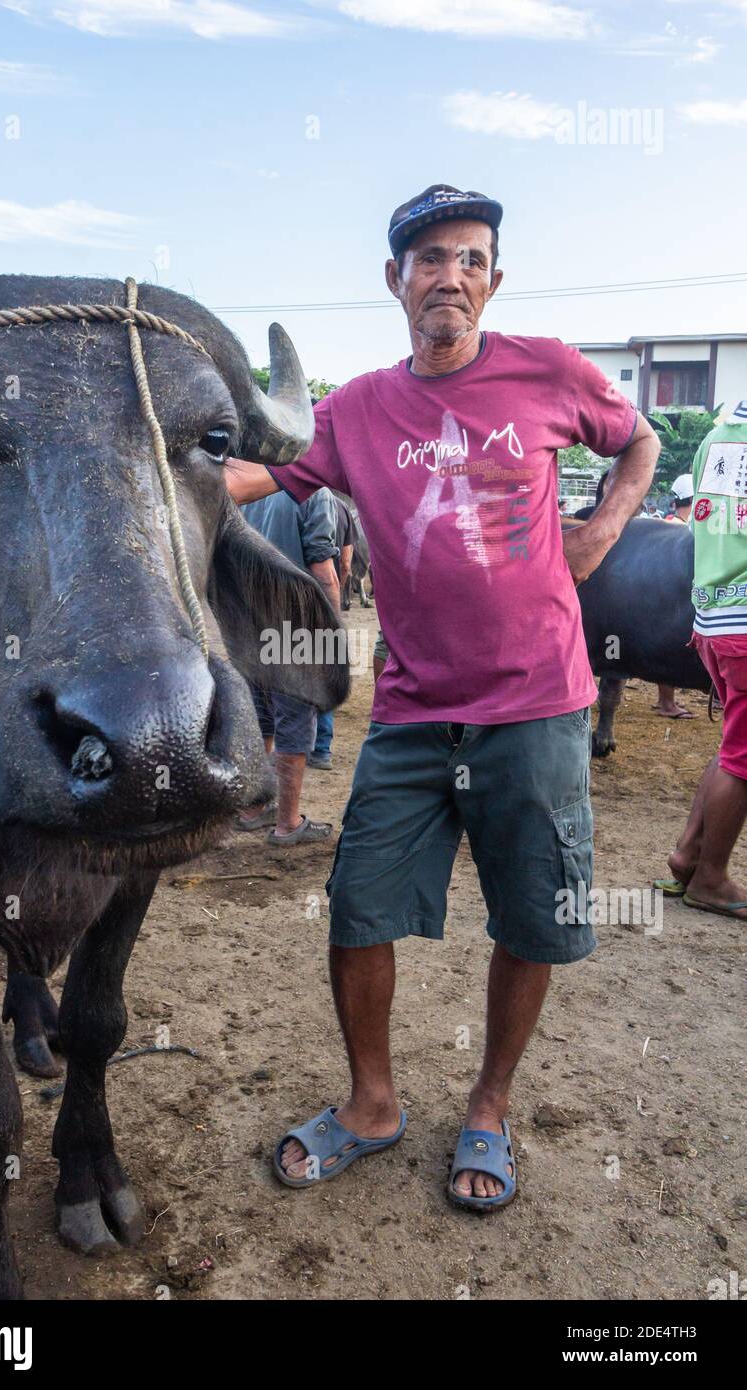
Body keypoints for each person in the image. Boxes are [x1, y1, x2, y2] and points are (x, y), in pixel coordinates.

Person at [227, 183, 659, 1208]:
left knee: (529, 918)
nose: (449, 276)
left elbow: (636, 439)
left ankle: (489, 1108)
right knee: (355, 905)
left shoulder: (548, 370)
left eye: (470, 259)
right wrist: (164, 457)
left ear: (494, 279)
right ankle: (371, 1103)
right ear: (394, 280)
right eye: (428, 259)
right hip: (412, 713)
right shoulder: (356, 409)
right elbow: (249, 475)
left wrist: (600, 529)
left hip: (540, 704)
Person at [655, 404, 747, 918]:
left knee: (735, 746)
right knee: (744, 757)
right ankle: (711, 877)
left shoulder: (719, 436)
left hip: (714, 615)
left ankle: (689, 855)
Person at [236, 486, 340, 844]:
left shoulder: (248, 488)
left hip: (250, 626)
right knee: (293, 727)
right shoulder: (316, 494)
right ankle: (287, 824)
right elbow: (324, 571)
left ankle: (252, 809)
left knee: (261, 722)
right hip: (293, 627)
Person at [308, 492, 357, 771]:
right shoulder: (339, 508)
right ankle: (321, 749)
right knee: (325, 676)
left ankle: (286, 747)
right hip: (320, 602)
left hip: (275, 606)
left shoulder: (267, 495)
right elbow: (346, 563)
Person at [654, 473, 698, 718]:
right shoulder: (681, 530)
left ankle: (666, 701)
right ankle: (666, 703)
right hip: (673, 594)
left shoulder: (667, 522)